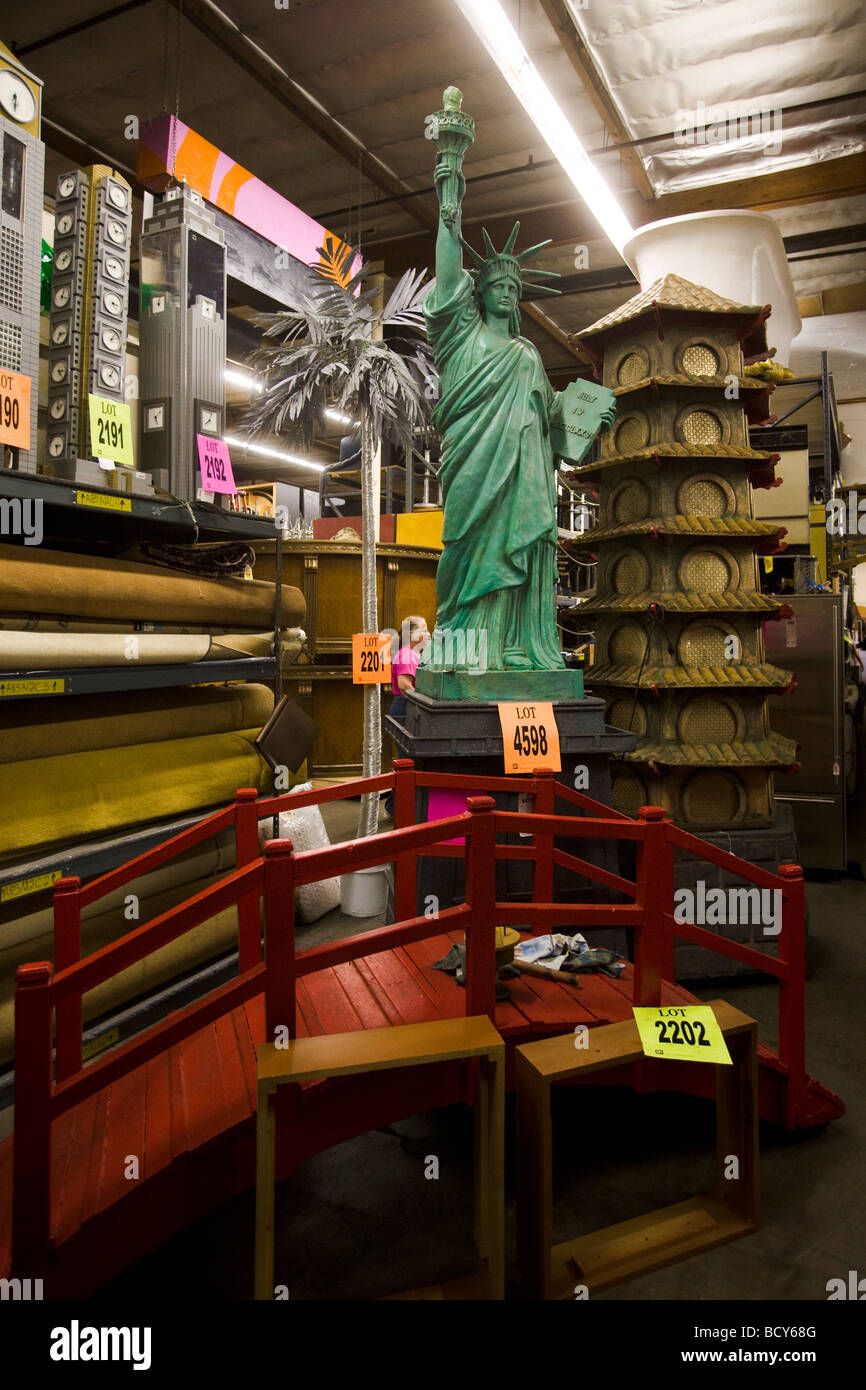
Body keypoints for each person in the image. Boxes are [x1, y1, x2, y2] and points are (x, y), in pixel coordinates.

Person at [383, 615, 429, 816]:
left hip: (407, 707)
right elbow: (404, 686)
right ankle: (394, 810)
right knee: (407, 763)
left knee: (408, 762)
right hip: (406, 708)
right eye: (424, 629)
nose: (428, 633)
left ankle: (397, 808)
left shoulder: (412, 653)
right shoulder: (407, 655)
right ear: (411, 633)